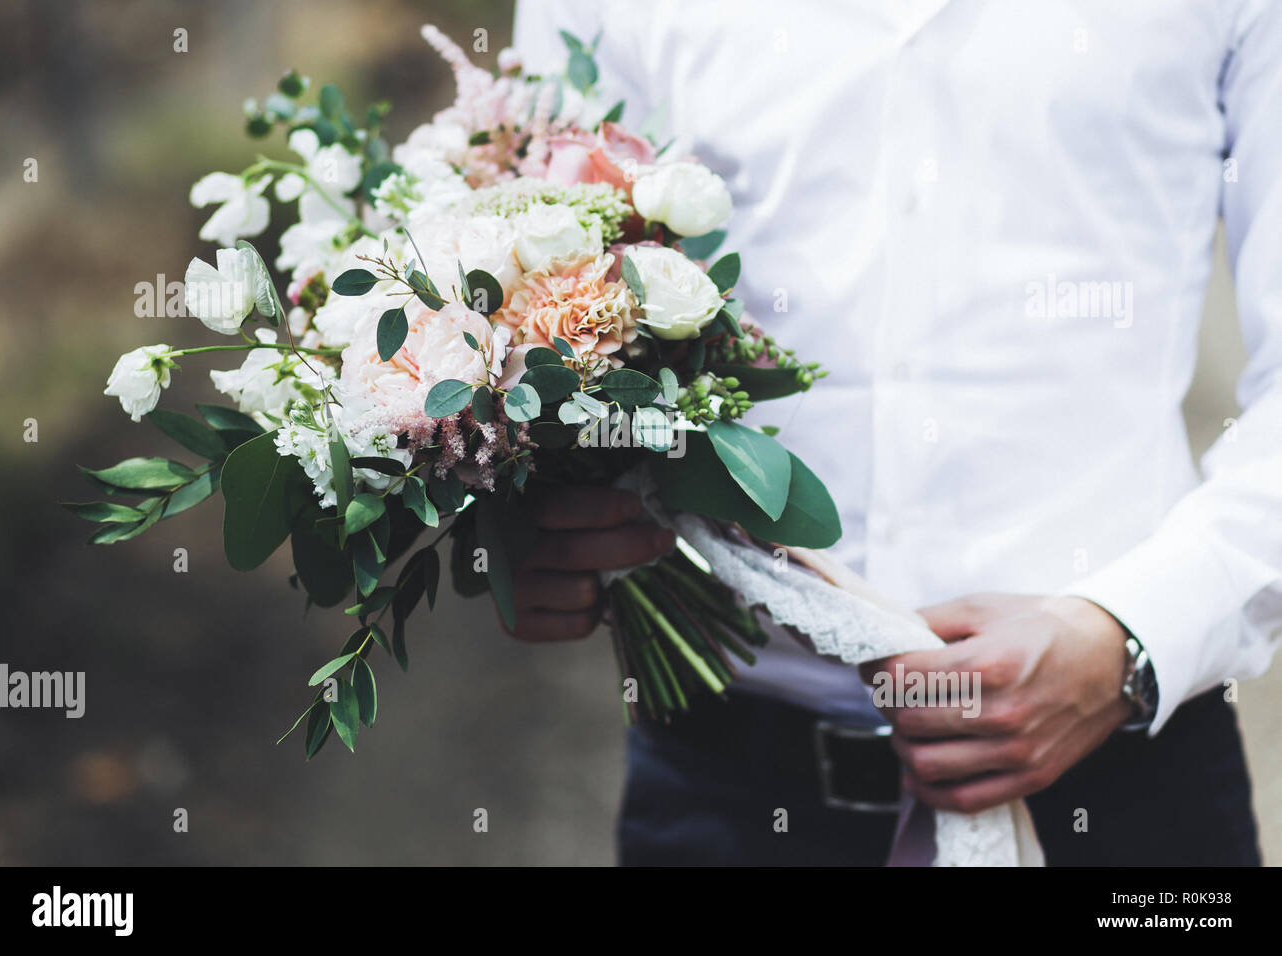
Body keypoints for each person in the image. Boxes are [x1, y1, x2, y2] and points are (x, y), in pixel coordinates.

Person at [506, 0, 1282, 865]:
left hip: (1134, 779)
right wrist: (529, 508)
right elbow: (534, 286)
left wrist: (1131, 637)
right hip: (727, 789)